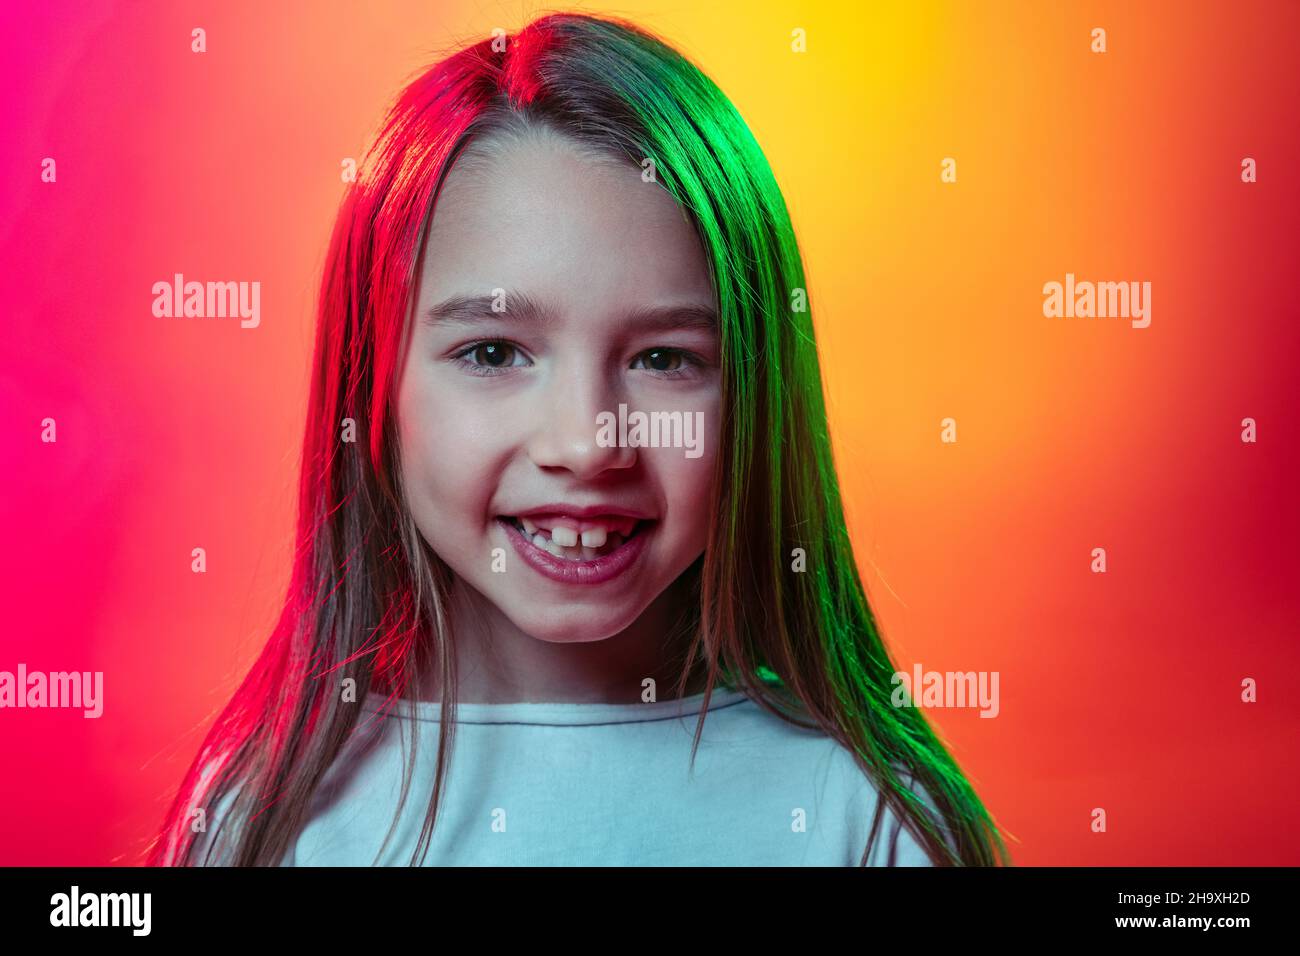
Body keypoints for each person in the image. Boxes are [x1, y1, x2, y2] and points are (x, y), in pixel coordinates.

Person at [150, 11, 1009, 867]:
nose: (589, 444)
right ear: (375, 388)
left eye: (665, 358)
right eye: (493, 352)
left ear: (755, 397)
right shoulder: (268, 819)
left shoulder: (863, 812)